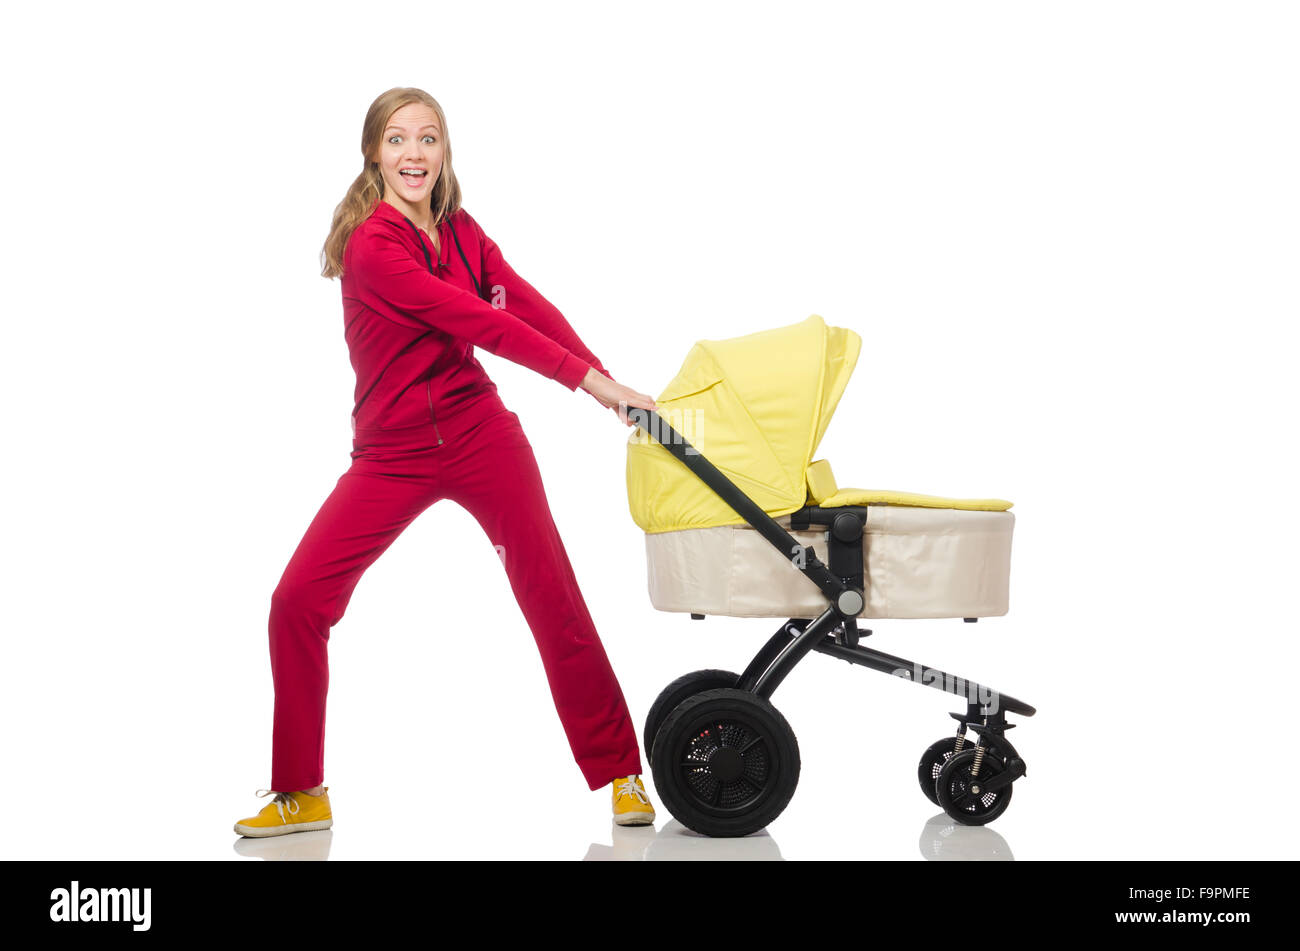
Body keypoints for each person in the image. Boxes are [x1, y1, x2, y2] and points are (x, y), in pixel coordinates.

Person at [234, 87, 661, 838]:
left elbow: (522, 303)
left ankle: (623, 771)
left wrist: (605, 382)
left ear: (445, 150)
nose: (413, 154)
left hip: (478, 435)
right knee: (297, 601)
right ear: (373, 151)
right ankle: (299, 790)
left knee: (550, 593)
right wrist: (592, 384)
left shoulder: (461, 230)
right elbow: (480, 322)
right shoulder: (373, 244)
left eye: (427, 138)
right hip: (390, 453)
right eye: (397, 139)